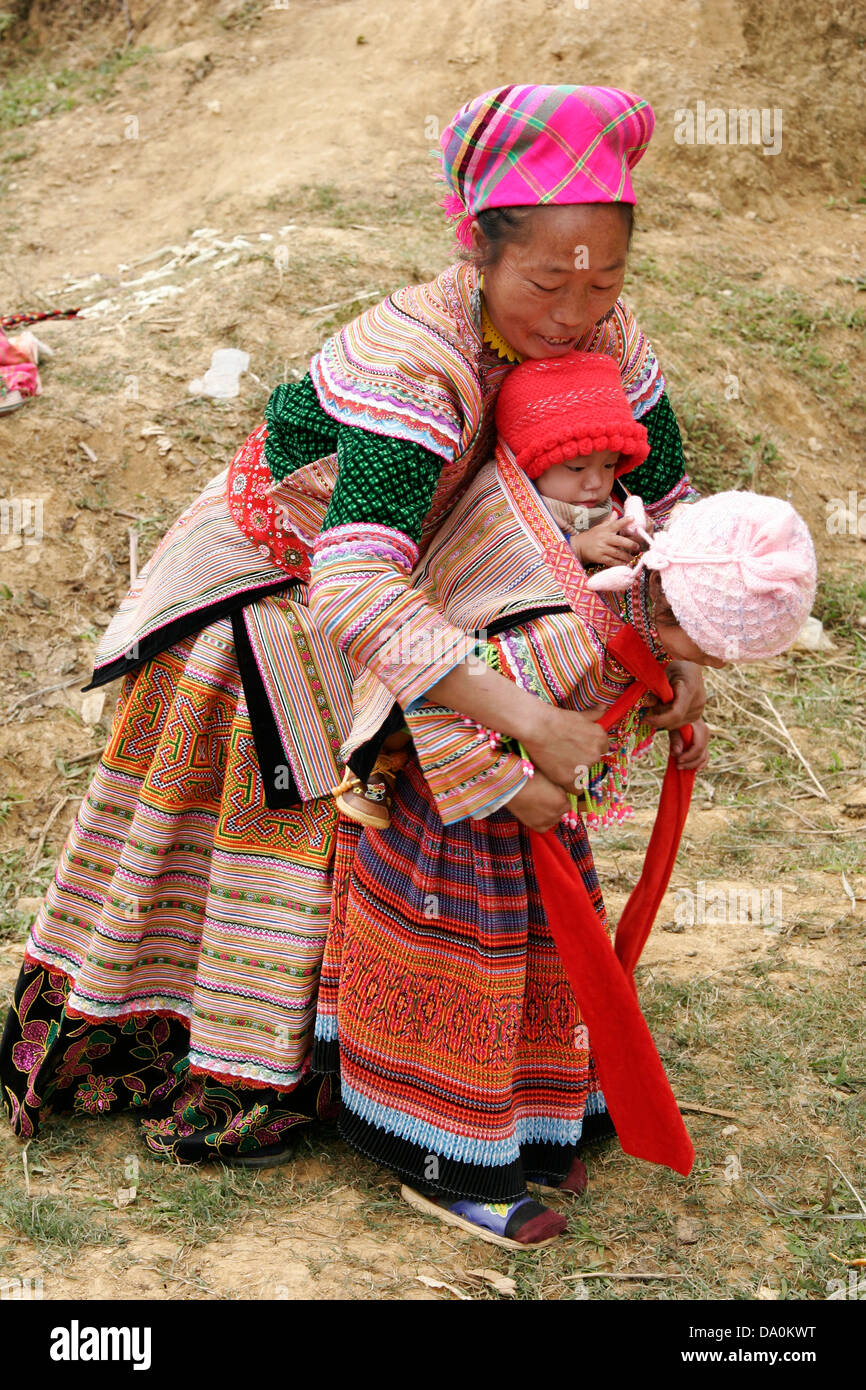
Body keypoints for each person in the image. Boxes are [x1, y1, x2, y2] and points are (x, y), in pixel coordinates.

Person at [0, 84, 704, 1164]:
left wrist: (677, 644)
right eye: (544, 280)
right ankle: (257, 1056)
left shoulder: (606, 337)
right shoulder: (412, 361)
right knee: (338, 780)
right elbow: (355, 587)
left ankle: (412, 1064)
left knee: (439, 757)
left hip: (427, 580)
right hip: (279, 588)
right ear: (475, 247)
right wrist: (521, 714)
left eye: (601, 278)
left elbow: (666, 504)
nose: (571, 311)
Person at [314, 473, 817, 1250]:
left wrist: (670, 697)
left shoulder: (624, 612)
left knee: (541, 967)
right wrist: (515, 786)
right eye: (704, 650)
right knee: (464, 980)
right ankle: (447, 1160)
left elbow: (614, 690)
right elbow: (425, 699)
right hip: (452, 833)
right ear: (670, 609)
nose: (707, 664)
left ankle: (532, 1124)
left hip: (525, 830)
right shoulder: (560, 633)